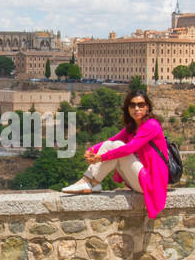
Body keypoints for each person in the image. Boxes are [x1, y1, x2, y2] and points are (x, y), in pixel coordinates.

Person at [60, 87, 169, 219]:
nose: (137, 109)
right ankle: (91, 182)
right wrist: (91, 150)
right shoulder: (132, 127)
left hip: (151, 181)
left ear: (147, 107)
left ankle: (90, 182)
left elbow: (129, 148)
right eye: (132, 105)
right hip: (139, 178)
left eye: (141, 105)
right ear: (127, 109)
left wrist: (101, 158)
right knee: (111, 144)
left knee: (118, 146)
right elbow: (111, 140)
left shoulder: (152, 125)